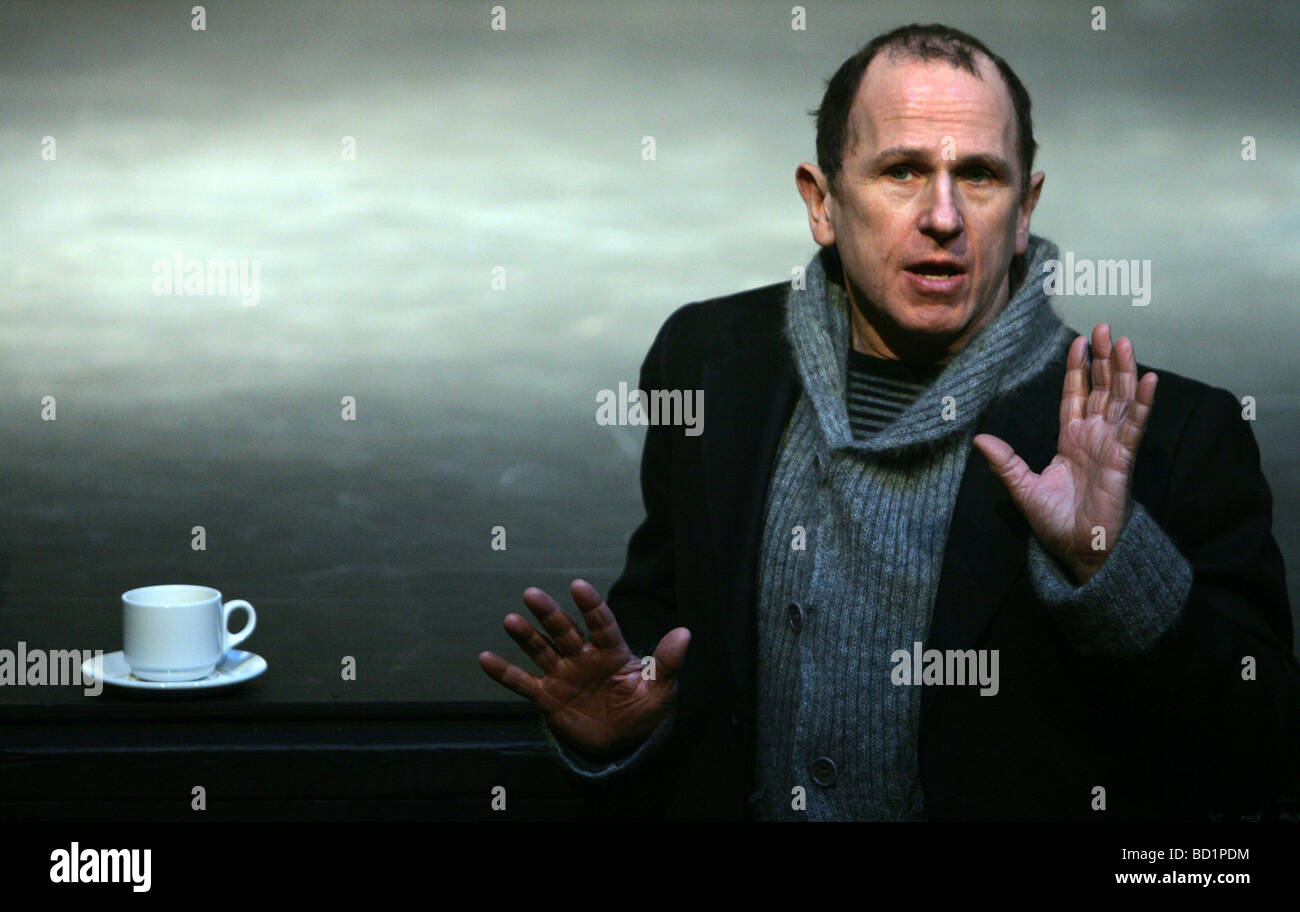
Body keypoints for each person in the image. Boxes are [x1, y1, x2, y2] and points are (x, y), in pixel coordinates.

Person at [477, 23, 1300, 820]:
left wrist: (1111, 569)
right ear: (823, 202)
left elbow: (1258, 760)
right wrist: (626, 738)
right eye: (901, 171)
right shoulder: (710, 367)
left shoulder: (1169, 433)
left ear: (1024, 211)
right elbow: (670, 645)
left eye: (978, 176)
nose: (943, 215)